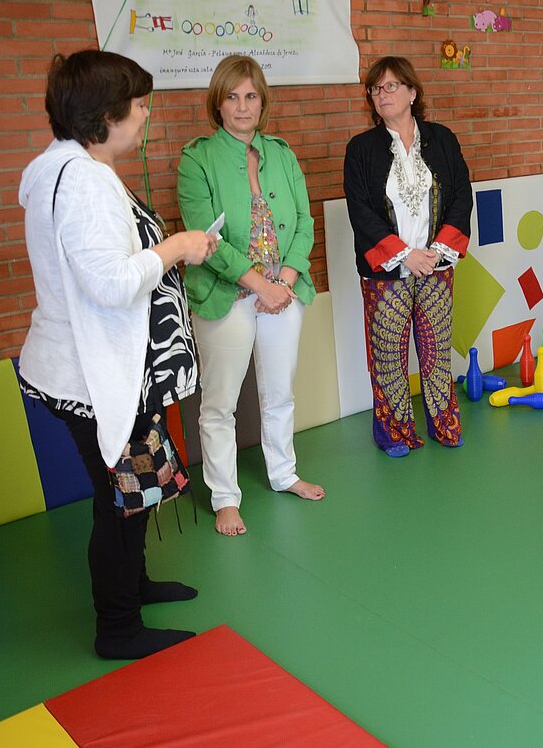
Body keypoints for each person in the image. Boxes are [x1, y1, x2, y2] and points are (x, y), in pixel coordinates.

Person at [18, 50, 216, 658]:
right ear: (105, 116)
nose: (145, 114)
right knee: (120, 503)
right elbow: (110, 283)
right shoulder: (82, 182)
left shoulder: (73, 167)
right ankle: (119, 628)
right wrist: (178, 247)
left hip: (103, 368)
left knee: (134, 491)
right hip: (96, 378)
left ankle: (136, 584)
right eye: (137, 105)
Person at [177, 55, 325, 537]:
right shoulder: (197, 159)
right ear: (218, 103)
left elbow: (304, 222)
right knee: (219, 404)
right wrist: (261, 285)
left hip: (283, 289)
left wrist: (284, 280)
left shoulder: (281, 153)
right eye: (232, 97)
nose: (242, 106)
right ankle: (225, 497)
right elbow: (205, 237)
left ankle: (283, 473)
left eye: (251, 96)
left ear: (263, 102)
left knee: (279, 393)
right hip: (227, 295)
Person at [343, 56, 472, 455]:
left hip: (436, 264)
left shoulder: (442, 139)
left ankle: (444, 423)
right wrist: (403, 255)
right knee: (388, 356)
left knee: (437, 351)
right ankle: (394, 432)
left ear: (413, 92)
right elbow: (360, 211)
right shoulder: (361, 149)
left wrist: (436, 251)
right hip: (386, 272)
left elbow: (461, 195)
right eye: (375, 89)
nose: (382, 94)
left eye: (391, 86)